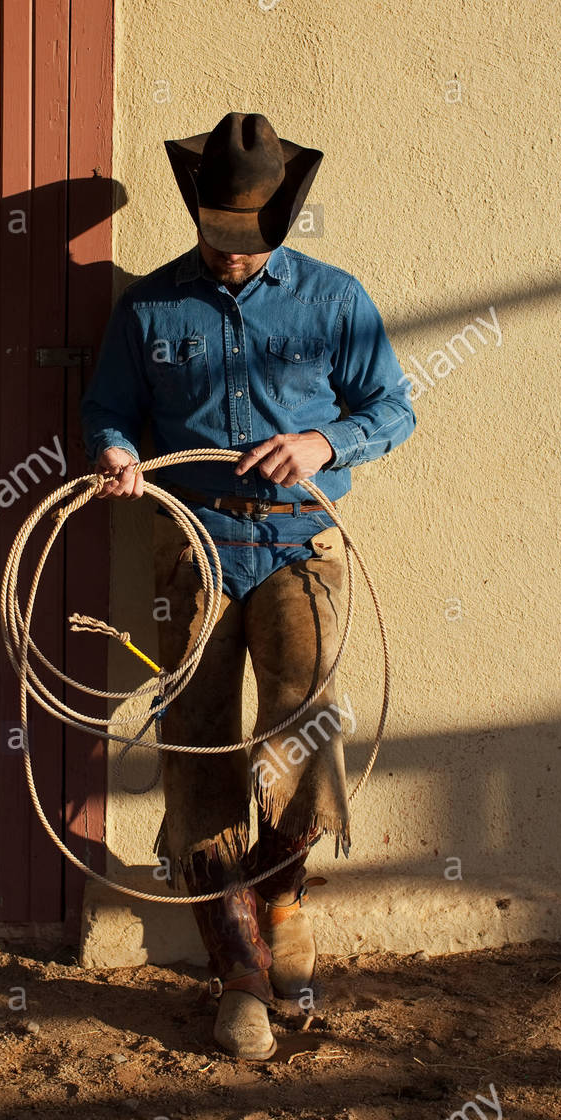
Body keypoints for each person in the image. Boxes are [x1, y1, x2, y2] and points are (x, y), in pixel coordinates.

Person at [80, 112, 416, 1060]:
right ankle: (237, 965)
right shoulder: (148, 310)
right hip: (192, 548)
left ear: (281, 217)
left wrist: (324, 442)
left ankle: (285, 902)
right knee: (196, 740)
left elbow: (392, 407)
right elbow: (109, 407)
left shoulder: (334, 301)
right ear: (197, 212)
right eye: (221, 237)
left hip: (304, 543)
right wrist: (115, 451)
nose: (235, 258)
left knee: (307, 721)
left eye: (252, 240)